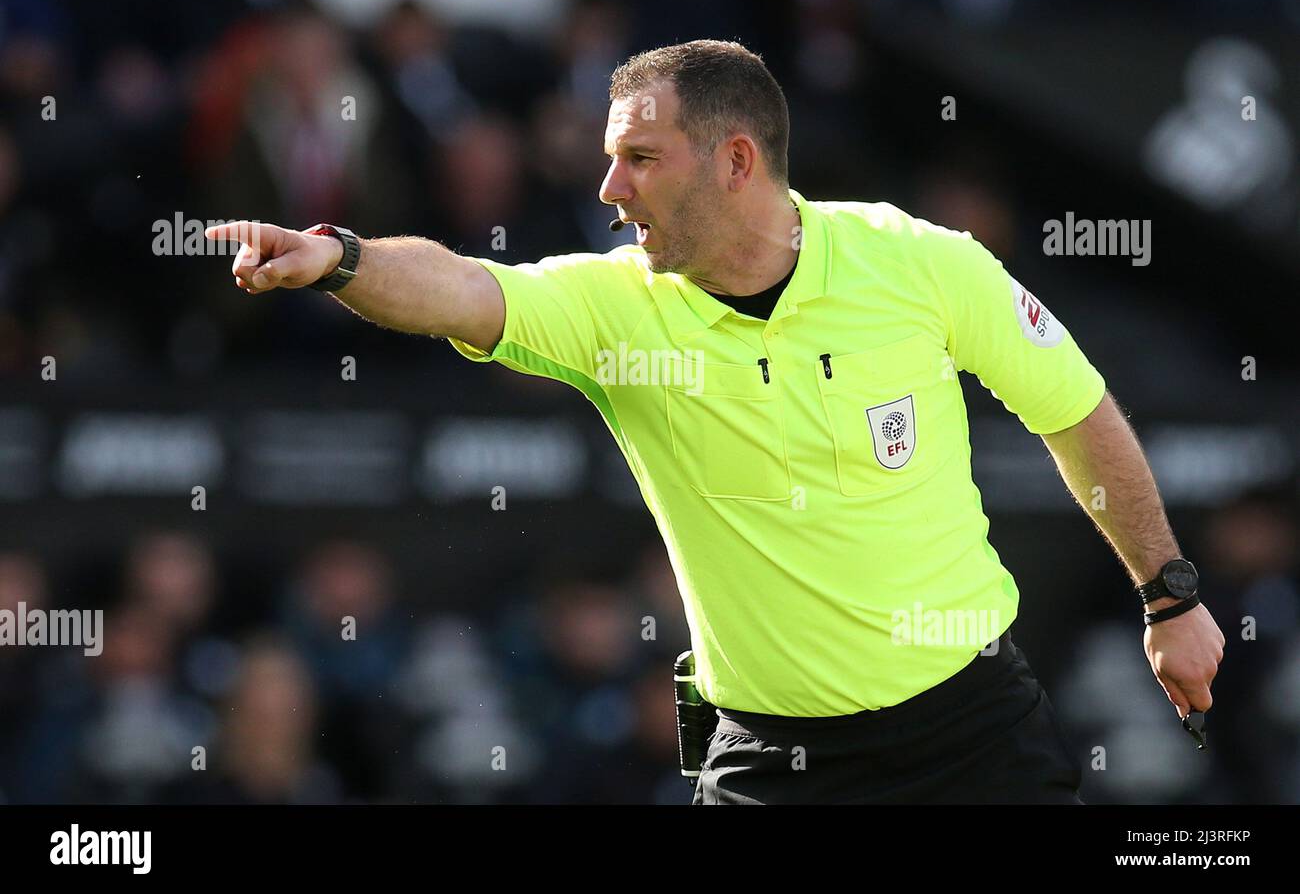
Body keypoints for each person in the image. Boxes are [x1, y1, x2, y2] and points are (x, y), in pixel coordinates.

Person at [205, 39, 1224, 804]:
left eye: (640, 159)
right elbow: (463, 287)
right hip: (771, 762)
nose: (609, 190)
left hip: (972, 733)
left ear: (736, 161)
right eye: (610, 159)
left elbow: (1076, 412)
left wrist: (1168, 597)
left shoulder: (921, 263)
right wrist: (342, 258)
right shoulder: (614, 308)